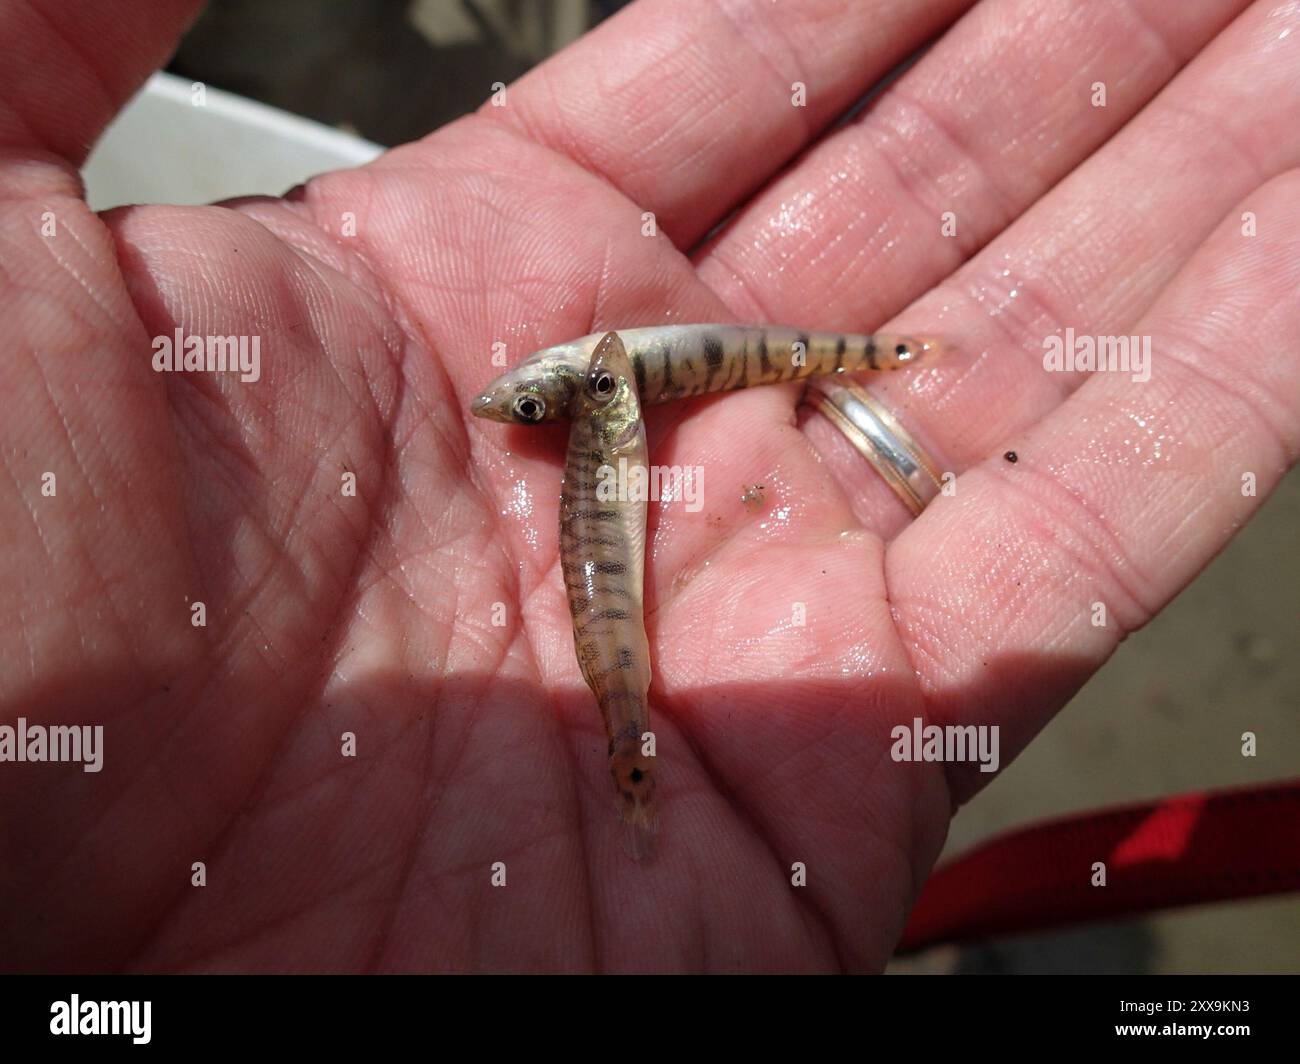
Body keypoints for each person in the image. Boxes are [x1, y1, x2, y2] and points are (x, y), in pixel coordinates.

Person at [1, 0, 1296, 973]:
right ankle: (639, 743)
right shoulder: (597, 395)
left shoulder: (597, 389)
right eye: (526, 401)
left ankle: (865, 371)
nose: (518, 404)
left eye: (528, 400)